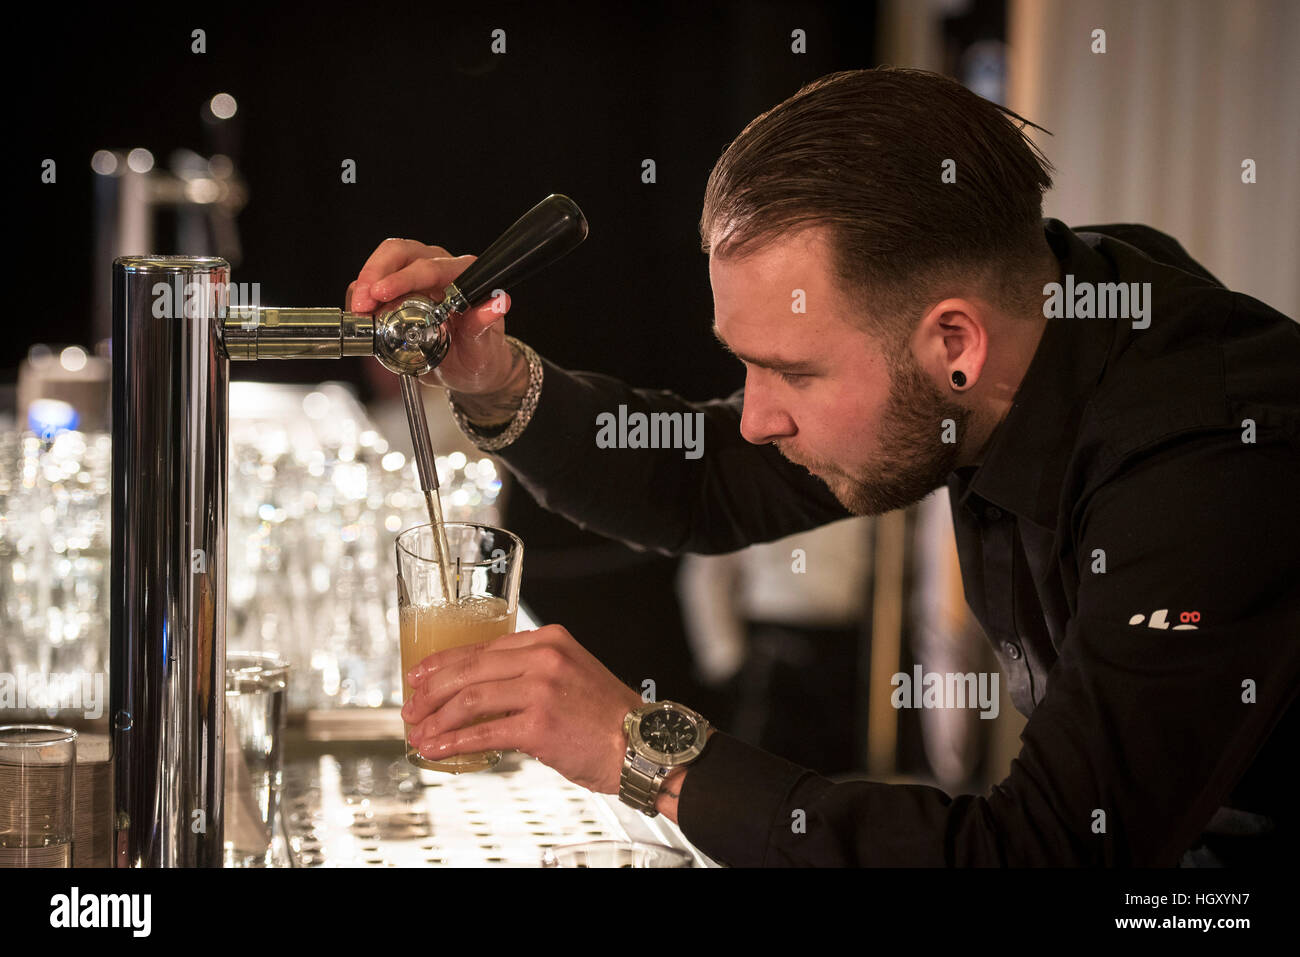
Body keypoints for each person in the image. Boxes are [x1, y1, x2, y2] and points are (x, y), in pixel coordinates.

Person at [347, 67, 1300, 866]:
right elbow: (702, 479)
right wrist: (489, 373)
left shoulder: (1211, 460)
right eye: (744, 361)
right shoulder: (1031, 320)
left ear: (954, 341)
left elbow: (1042, 853)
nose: (755, 416)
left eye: (791, 371)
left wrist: (648, 754)